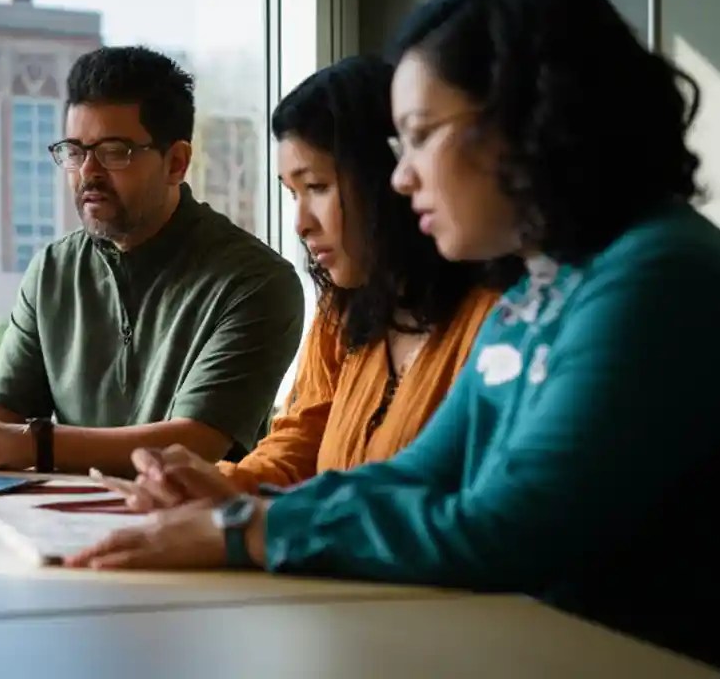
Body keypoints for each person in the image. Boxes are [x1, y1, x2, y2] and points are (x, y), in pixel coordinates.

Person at [66, 0, 720, 674]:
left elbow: (506, 531)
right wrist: (241, 507)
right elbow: (420, 474)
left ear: (529, 118)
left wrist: (246, 527)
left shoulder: (659, 278)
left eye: (422, 135)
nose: (401, 178)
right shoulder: (547, 288)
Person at [105, 55, 505, 512]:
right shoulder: (345, 312)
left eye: (316, 186)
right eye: (292, 194)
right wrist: (218, 486)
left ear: (388, 178)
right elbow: (299, 441)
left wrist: (257, 524)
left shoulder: (495, 319)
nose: (300, 224)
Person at [0, 46, 304, 475]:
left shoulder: (256, 283)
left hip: (189, 531)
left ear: (177, 162)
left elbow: (196, 443)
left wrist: (34, 445)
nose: (87, 171)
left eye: (114, 151)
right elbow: (1, 417)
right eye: (74, 150)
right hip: (59, 524)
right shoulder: (52, 272)